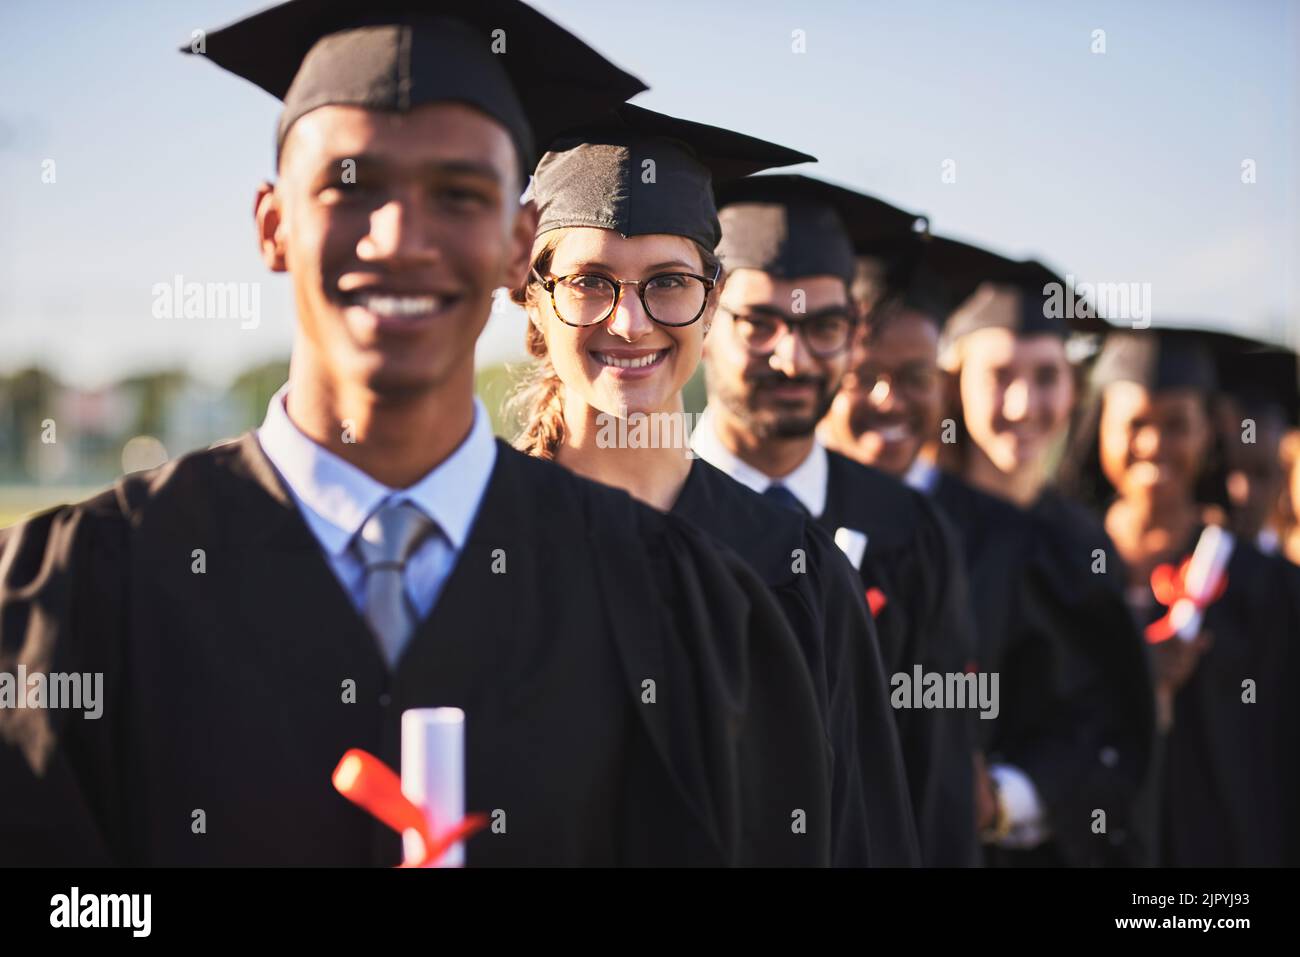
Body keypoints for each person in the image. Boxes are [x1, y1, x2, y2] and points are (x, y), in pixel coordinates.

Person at [0, 1, 832, 867]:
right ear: (273, 224)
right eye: (350, 186)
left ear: (517, 248)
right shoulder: (82, 594)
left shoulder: (675, 598)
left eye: (459, 194)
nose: (400, 237)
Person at [510, 104, 916, 866]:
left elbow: (863, 837)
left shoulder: (793, 566)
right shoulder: (475, 541)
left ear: (713, 298)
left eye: (668, 282)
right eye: (590, 281)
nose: (629, 322)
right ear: (534, 297)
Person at [823, 238, 1154, 866]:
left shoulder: (1048, 541)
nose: (1024, 404)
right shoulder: (796, 514)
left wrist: (1006, 794)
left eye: (1047, 376)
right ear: (958, 387)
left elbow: (1097, 714)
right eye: (1000, 375)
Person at [694, 174, 980, 866]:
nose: (792, 358)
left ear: (852, 334)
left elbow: (935, 788)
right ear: (703, 321)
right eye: (759, 323)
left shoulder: (910, 530)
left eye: (822, 326)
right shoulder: (651, 514)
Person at [1060, 327, 1299, 866]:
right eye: (1135, 424)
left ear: (1208, 434)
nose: (1154, 445)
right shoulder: (1058, 562)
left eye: (1177, 425)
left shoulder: (1268, 587)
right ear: (1099, 427)